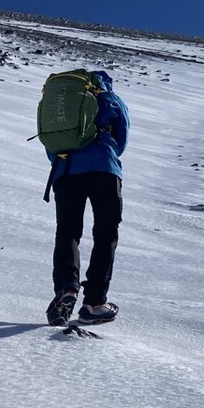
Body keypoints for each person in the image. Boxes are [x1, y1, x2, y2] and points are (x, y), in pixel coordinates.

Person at [45, 70, 130, 326]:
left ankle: (67, 287)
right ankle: (94, 303)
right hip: (105, 169)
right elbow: (122, 139)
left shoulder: (58, 100)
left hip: (66, 169)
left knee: (68, 232)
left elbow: (52, 142)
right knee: (106, 233)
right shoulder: (110, 98)